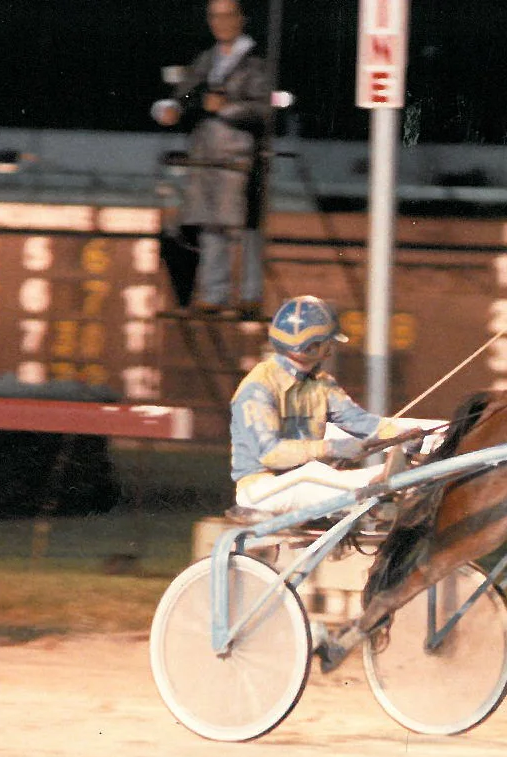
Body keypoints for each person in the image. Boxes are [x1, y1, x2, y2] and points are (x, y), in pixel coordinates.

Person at [150, 0, 271, 316]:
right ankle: (214, 293)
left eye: (226, 15)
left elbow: (262, 110)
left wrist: (226, 109)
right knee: (209, 224)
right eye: (214, 16)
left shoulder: (255, 62)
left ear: (241, 18)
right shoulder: (207, 60)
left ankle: (249, 294)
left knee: (244, 227)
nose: (220, 22)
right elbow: (186, 95)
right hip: (207, 155)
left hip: (241, 156)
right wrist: (173, 108)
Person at [230, 296, 392, 515]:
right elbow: (269, 453)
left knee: (319, 476)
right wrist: (329, 448)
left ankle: (387, 480)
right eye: (328, 342)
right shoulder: (257, 388)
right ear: (311, 346)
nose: (331, 349)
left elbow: (364, 423)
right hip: (260, 490)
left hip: (305, 480)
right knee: (312, 476)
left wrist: (406, 435)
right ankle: (380, 485)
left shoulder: (322, 384)